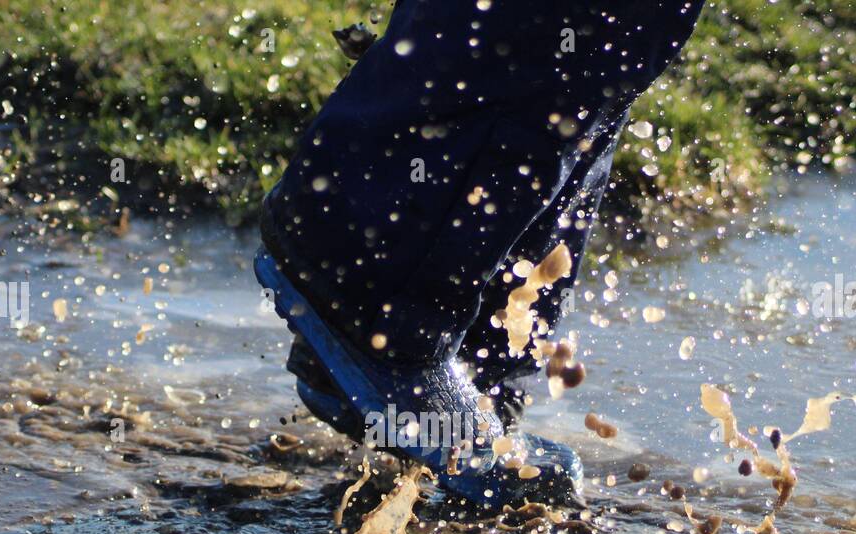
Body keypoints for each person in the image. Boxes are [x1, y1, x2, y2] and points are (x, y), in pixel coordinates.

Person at [255, 0, 706, 507]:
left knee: (620, 37)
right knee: (575, 24)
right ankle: (377, 278)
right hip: (391, 268)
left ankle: (463, 351)